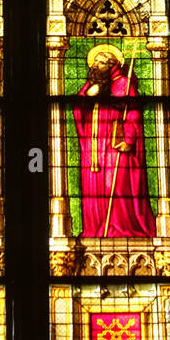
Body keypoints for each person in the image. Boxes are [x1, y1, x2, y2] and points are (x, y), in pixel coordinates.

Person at [72, 45, 155, 239]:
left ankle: (120, 227)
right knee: (94, 186)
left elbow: (133, 112)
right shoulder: (90, 85)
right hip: (93, 147)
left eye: (101, 63)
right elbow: (78, 110)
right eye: (95, 62)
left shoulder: (123, 84)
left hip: (114, 145)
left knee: (116, 185)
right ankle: (95, 228)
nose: (96, 66)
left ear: (113, 65)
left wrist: (128, 138)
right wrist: (85, 97)